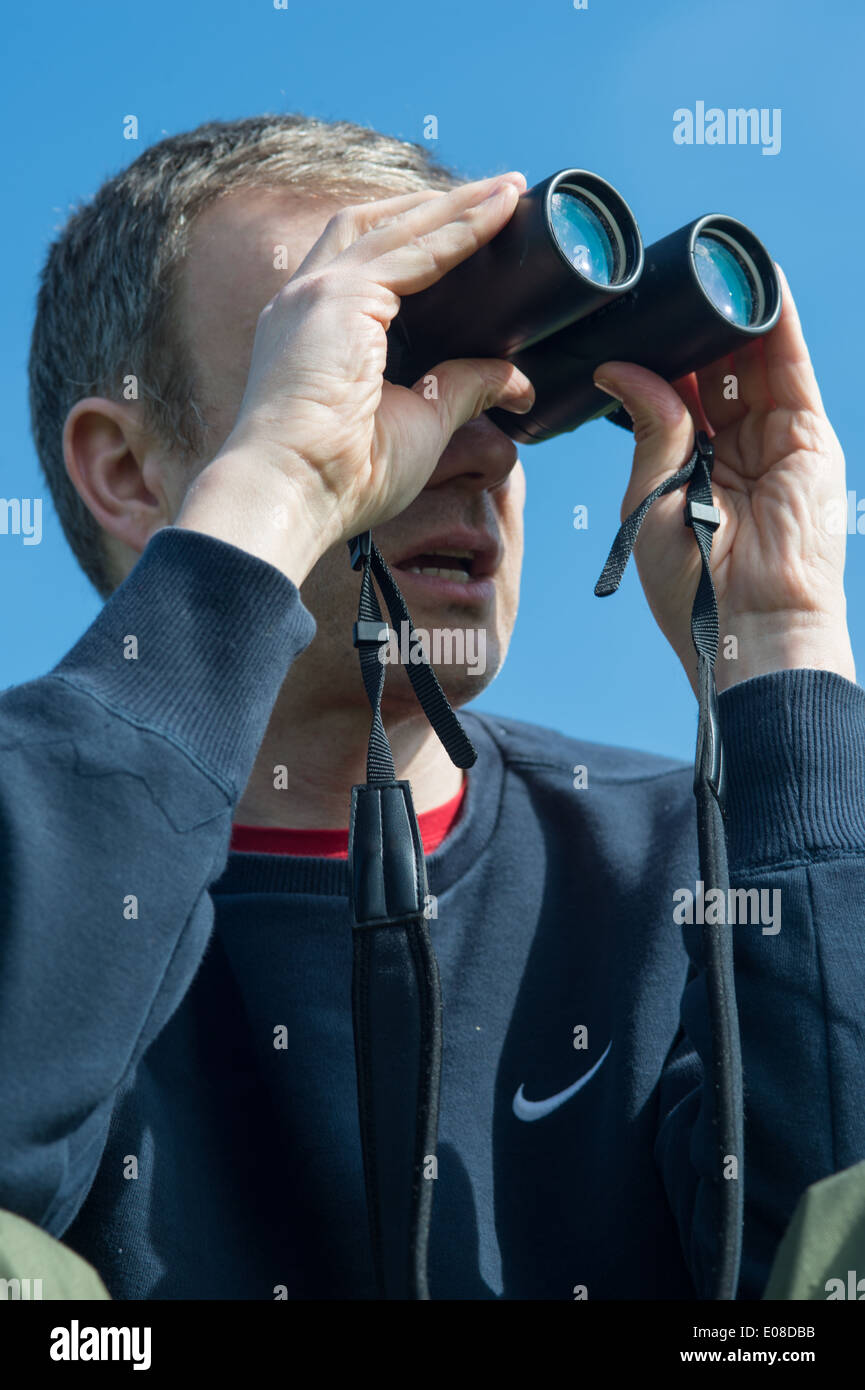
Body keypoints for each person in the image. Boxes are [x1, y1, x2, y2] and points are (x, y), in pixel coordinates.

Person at [3, 114, 863, 1300]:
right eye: (363, 364)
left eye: (504, 386)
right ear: (127, 469)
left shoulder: (693, 860)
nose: (473, 450)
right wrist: (278, 492)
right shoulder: (38, 841)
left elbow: (829, 1273)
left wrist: (782, 650)